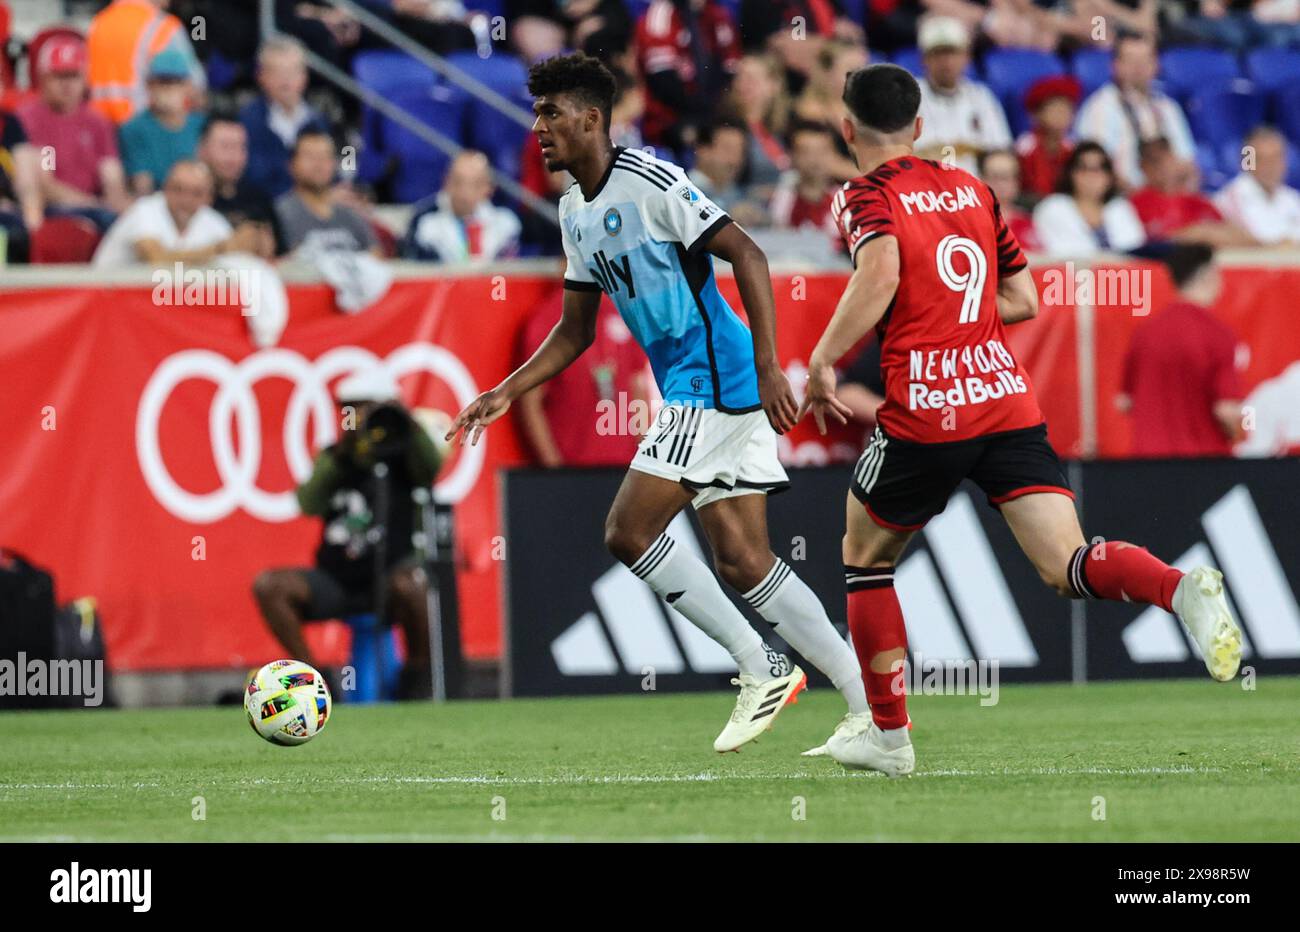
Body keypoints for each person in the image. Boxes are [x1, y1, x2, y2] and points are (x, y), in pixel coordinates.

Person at [798, 63, 1242, 776]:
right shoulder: (971, 188)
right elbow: (1024, 298)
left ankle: (889, 736)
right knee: (1067, 564)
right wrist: (955, 314)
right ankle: (1175, 586)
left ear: (847, 130)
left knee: (865, 557)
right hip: (1005, 401)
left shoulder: (864, 194)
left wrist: (822, 359)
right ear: (918, 129)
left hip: (930, 409)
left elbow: (879, 274)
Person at [447, 53, 869, 753]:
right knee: (743, 558)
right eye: (537, 114)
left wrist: (768, 367)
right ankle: (868, 706)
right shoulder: (573, 210)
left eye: (551, 114)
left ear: (590, 118)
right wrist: (505, 390)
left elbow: (749, 255)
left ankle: (761, 663)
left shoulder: (651, 181)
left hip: (714, 379)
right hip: (693, 384)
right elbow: (576, 329)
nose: (539, 128)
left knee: (628, 530)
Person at [252, 369, 444, 700]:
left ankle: (417, 684)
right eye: (349, 409)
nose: (356, 417)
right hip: (338, 581)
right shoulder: (336, 457)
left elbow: (432, 468)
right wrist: (344, 455)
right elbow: (307, 502)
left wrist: (404, 423)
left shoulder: (405, 459)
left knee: (415, 584)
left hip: (389, 580)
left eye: (364, 408)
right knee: (270, 586)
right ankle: (314, 682)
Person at [1117, 244, 1244, 457]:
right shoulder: (1218, 334)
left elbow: (1125, 402)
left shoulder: (1145, 332)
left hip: (1147, 461)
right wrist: (1242, 432)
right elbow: (1226, 410)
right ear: (1208, 275)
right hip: (1203, 462)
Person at [515, 289, 651, 467]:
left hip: (625, 466)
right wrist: (555, 469)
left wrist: (645, 456)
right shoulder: (548, 319)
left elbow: (638, 389)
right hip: (573, 467)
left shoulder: (627, 312)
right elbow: (530, 403)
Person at [17, 34, 130, 231]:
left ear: (84, 79)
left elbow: (111, 176)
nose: (67, 84)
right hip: (52, 210)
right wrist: (91, 203)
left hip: (95, 209)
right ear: (43, 78)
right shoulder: (29, 119)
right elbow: (44, 184)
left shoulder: (97, 122)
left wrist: (117, 205)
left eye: (73, 76)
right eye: (59, 76)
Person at [1073, 34, 1196, 188]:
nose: (1139, 67)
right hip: (1123, 199)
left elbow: (1189, 164)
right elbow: (1097, 170)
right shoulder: (1101, 107)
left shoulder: (1168, 107)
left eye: (1145, 60)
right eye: (1130, 60)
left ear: (1156, 64)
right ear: (1114, 66)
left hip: (1169, 199)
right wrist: (1141, 199)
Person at [92, 159, 253, 267]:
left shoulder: (213, 221)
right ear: (165, 188)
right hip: (106, 302)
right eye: (178, 189)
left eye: (196, 193)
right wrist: (220, 249)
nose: (186, 199)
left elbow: (237, 262)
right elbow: (157, 261)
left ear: (209, 198)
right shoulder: (145, 211)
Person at [635, 0, 740, 151]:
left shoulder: (718, 15)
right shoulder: (661, 14)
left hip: (711, 113)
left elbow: (730, 71)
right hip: (669, 120)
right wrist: (703, 117)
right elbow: (663, 82)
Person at [912, 16, 1011, 175]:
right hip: (924, 188)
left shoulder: (982, 97)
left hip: (976, 188)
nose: (947, 61)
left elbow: (1001, 149)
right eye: (939, 54)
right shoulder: (908, 97)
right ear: (924, 59)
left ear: (967, 57)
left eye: (953, 53)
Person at [87, 0, 206, 125]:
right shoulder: (163, 26)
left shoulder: (98, 23)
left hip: (100, 125)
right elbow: (196, 83)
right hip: (146, 126)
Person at [239, 37, 330, 199]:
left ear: (304, 76)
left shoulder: (319, 121)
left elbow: (336, 168)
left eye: (292, 71)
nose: (285, 80)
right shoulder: (247, 121)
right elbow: (254, 177)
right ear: (261, 76)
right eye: (276, 72)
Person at [1130, 137, 1255, 246]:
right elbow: (1141, 244)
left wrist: (1206, 233)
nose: (1163, 167)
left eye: (1166, 159)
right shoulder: (1135, 203)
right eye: (1155, 162)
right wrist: (1195, 234)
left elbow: (1234, 232)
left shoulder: (1196, 200)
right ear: (1142, 166)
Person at [403, 150, 521, 263]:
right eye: (458, 182)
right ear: (446, 181)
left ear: (489, 187)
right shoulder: (424, 223)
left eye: (475, 185)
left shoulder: (506, 222)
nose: (465, 193)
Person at [1032, 141, 1146, 257]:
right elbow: (1055, 254)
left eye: (1099, 168)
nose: (1091, 175)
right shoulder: (1053, 207)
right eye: (1083, 168)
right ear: (1071, 174)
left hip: (1124, 274)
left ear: (1109, 176)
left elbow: (1136, 251)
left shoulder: (1121, 208)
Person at [275, 129, 378, 256]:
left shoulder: (351, 213)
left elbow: (376, 256)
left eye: (325, 156)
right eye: (310, 157)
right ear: (291, 164)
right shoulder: (280, 214)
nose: (319, 164)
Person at [118, 48, 204, 196]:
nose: (169, 88)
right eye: (163, 81)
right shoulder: (134, 129)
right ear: (149, 85)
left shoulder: (201, 125)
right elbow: (142, 188)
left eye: (176, 81)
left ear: (188, 86)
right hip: (156, 208)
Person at [198, 114, 281, 260]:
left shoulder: (258, 198)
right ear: (202, 150)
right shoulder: (187, 196)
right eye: (225, 147)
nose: (233, 157)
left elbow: (280, 254)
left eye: (240, 147)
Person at [1213, 126, 1300, 246]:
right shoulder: (1227, 202)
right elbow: (1254, 242)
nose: (1270, 166)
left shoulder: (1292, 198)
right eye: (1261, 159)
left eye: (1276, 158)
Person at [769, 121, 840, 241]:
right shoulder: (780, 198)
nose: (815, 160)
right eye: (806, 152)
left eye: (822, 152)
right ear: (792, 156)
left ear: (833, 154)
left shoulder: (844, 201)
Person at [1015, 74, 1080, 203]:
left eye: (1067, 109)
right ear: (1037, 114)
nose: (1062, 114)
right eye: (1055, 109)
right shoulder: (1025, 148)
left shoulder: (1073, 149)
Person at [978, 148, 1041, 252]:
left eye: (1008, 177)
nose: (1002, 184)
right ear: (981, 180)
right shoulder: (971, 222)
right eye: (995, 176)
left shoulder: (1027, 222)